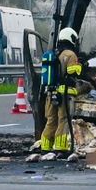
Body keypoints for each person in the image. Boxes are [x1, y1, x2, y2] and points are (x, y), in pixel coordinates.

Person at [39, 26, 84, 155]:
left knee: (51, 120)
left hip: (51, 92)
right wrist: (82, 66)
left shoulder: (55, 53)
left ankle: (45, 147)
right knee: (63, 120)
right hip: (64, 93)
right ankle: (61, 148)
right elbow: (72, 71)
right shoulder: (70, 54)